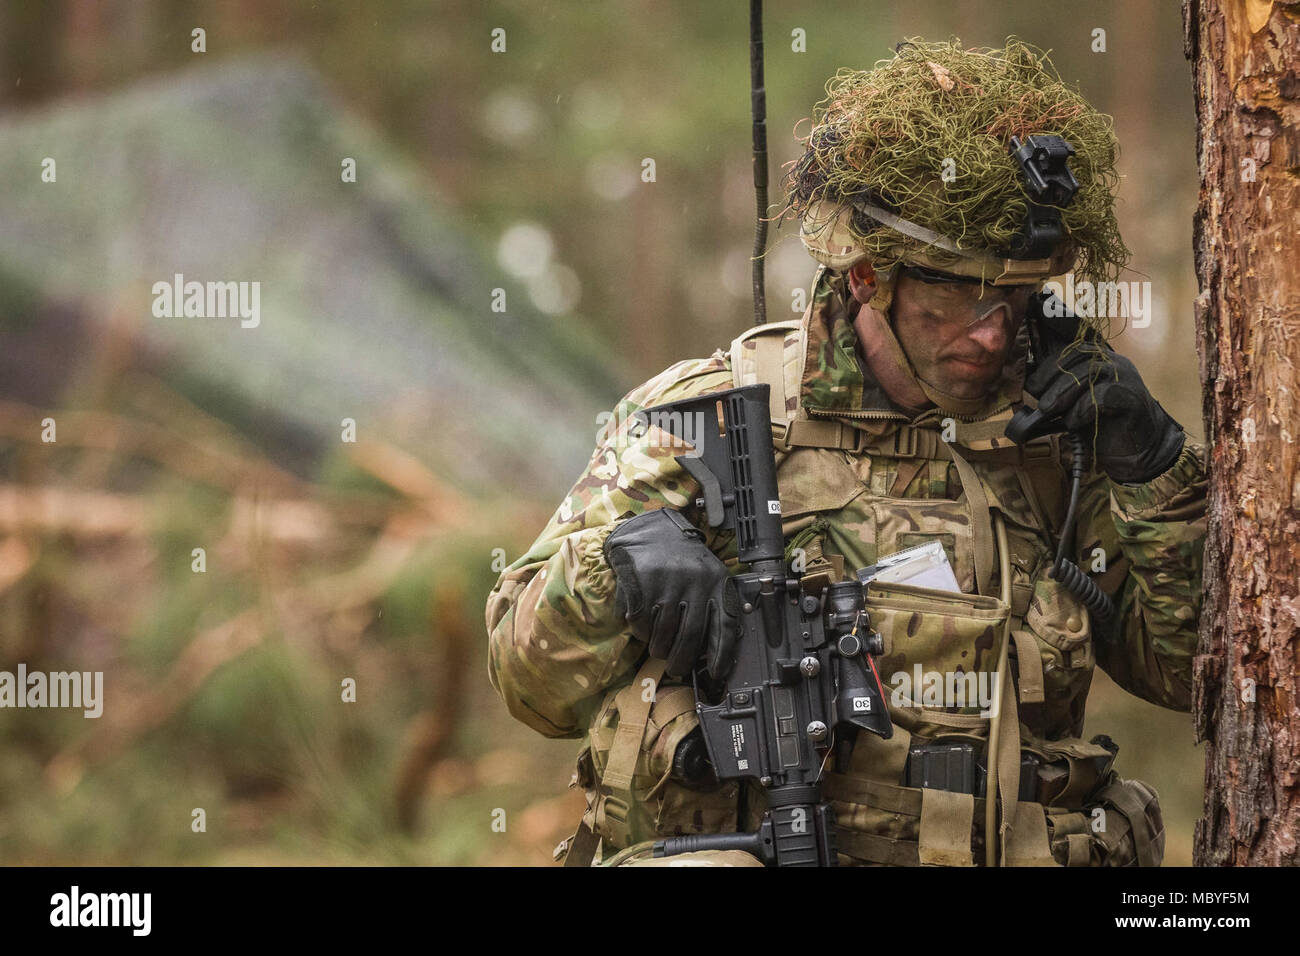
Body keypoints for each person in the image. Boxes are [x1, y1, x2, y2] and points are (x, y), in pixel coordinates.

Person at [485, 39, 1206, 867]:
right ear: (870, 277)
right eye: (958, 295)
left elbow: (1192, 679)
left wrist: (1153, 464)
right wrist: (618, 567)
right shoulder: (718, 418)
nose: (993, 332)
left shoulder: (1058, 440)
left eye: (1015, 298)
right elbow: (528, 683)